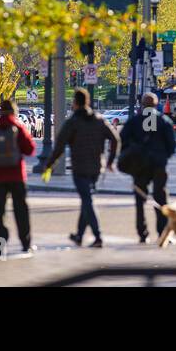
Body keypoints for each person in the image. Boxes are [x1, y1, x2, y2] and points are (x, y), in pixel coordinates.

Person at [41, 88, 120, 248]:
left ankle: (98, 236)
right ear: (88, 101)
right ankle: (79, 235)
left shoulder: (72, 122)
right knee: (87, 199)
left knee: (87, 200)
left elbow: (59, 146)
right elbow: (115, 139)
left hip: (80, 168)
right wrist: (110, 161)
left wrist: (49, 165)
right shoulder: (99, 119)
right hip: (97, 167)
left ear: (75, 103)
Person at [0, 97, 37, 254]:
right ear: (14, 112)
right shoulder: (16, 125)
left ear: (0, 111)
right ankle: (26, 244)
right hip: (17, 176)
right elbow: (30, 149)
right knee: (21, 212)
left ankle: (0, 245)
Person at [120, 92, 176, 243]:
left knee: (140, 200)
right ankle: (162, 232)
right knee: (160, 199)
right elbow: (172, 144)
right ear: (156, 105)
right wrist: (164, 156)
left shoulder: (134, 121)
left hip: (139, 165)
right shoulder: (163, 121)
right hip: (159, 164)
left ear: (142, 104)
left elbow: (123, 140)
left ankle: (142, 233)